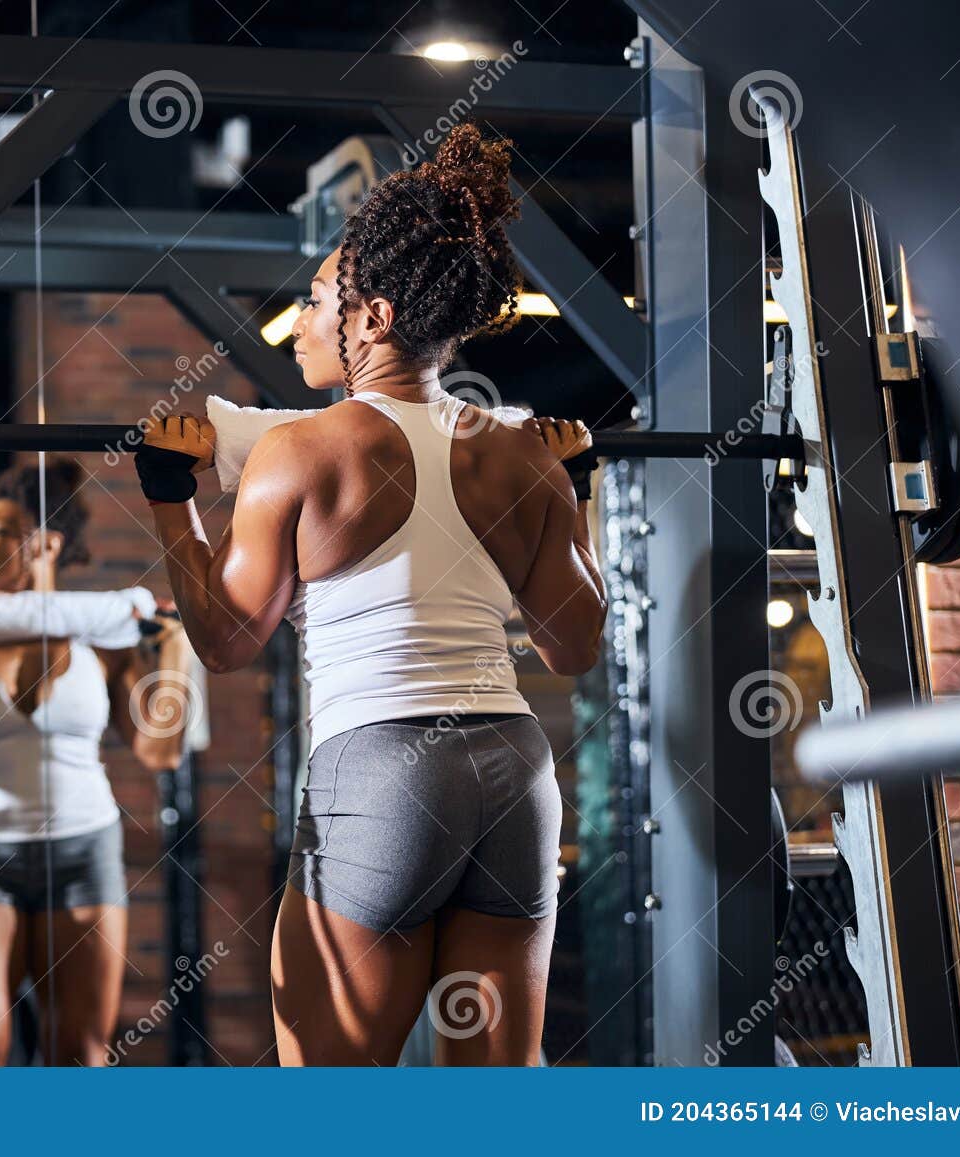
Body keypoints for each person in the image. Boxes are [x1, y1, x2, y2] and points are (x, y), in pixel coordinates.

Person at [133, 122, 606, 1065]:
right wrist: (576, 487)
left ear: (375, 318)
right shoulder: (523, 455)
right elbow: (574, 645)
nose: (302, 319)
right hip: (513, 771)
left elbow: (225, 640)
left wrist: (168, 496)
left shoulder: (299, 449)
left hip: (383, 768)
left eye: (318, 302)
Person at [0, 459, 190, 1066]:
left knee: (79, 1056)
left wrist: (174, 650)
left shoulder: (101, 639)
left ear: (47, 544)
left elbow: (159, 750)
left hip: (82, 854)